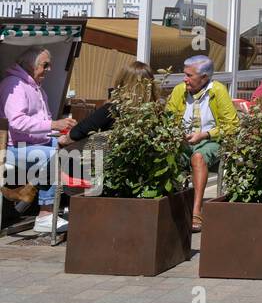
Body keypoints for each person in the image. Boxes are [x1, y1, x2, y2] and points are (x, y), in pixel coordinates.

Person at [0, 48, 75, 233]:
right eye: (45, 65)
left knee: (74, 150)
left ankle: (30, 199)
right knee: (56, 156)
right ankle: (45, 214)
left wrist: (64, 133)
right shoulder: (14, 85)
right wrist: (53, 125)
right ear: (29, 66)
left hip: (33, 144)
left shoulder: (34, 86)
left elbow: (43, 122)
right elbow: (17, 122)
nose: (49, 69)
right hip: (13, 148)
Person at [165, 55, 238, 233]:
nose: (185, 79)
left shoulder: (217, 90)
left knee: (198, 157)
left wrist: (205, 134)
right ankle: (169, 208)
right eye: (184, 74)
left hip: (210, 141)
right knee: (162, 154)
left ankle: (196, 210)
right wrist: (176, 133)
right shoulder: (179, 90)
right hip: (183, 141)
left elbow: (232, 126)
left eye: (189, 75)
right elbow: (167, 118)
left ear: (204, 77)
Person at [61, 60, 156, 143]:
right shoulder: (157, 114)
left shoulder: (113, 110)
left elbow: (76, 133)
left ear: (122, 83)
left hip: (104, 162)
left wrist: (63, 140)